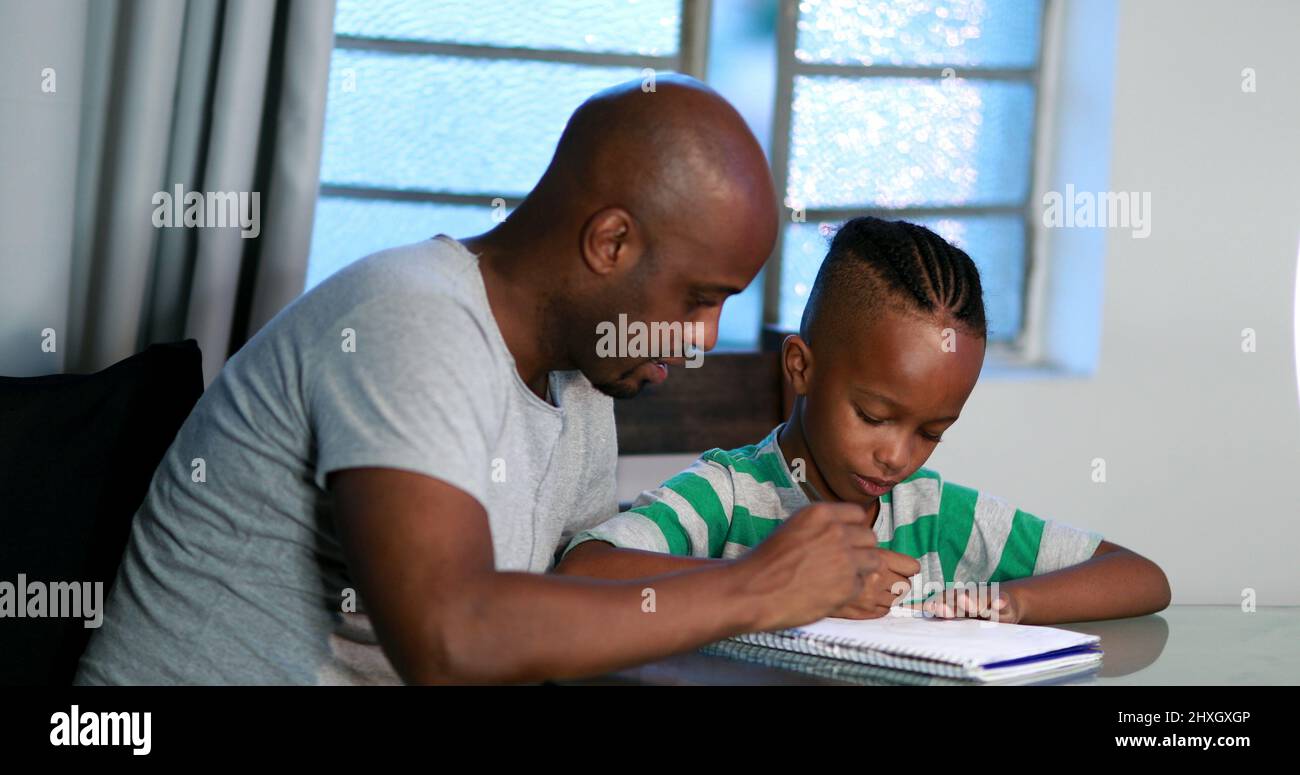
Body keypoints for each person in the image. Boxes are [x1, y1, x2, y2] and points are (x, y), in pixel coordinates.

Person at [75, 76, 891, 685]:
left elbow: (575, 589)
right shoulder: (410, 319)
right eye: (699, 298)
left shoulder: (582, 381)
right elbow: (449, 635)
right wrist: (755, 588)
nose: (705, 338)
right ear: (611, 243)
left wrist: (797, 582)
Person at [558, 217, 1171, 625]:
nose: (898, 456)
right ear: (801, 368)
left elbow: (1140, 577)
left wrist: (1010, 601)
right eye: (874, 416)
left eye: (932, 432)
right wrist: (777, 579)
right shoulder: (728, 497)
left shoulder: (934, 514)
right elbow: (587, 569)